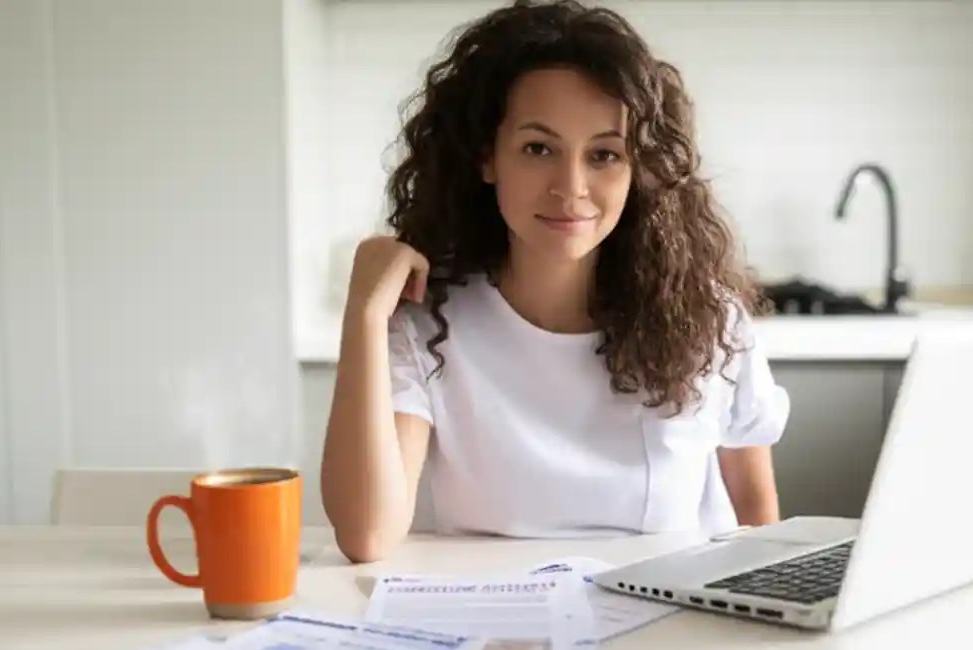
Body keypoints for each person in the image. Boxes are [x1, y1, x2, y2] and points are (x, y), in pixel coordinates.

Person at [321, 0, 790, 563]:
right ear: (487, 157)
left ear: (636, 169)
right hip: (493, 629)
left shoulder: (708, 319)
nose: (571, 188)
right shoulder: (428, 321)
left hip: (672, 632)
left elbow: (760, 527)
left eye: (604, 155)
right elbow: (367, 536)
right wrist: (365, 313)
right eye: (538, 148)